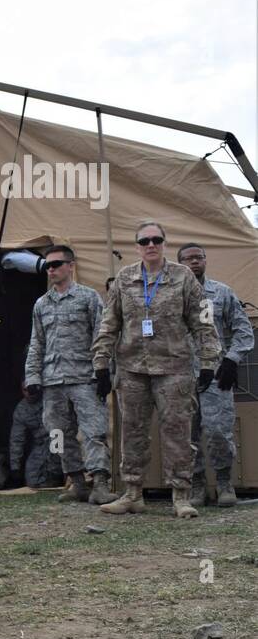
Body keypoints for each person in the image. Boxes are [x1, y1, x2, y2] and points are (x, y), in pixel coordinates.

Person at [94, 221, 221, 518]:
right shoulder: (124, 278)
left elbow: (202, 321)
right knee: (132, 432)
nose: (151, 245)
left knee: (177, 432)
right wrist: (101, 363)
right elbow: (109, 322)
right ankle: (133, 494)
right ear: (137, 246)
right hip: (132, 367)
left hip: (174, 367)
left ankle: (181, 496)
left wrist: (208, 362)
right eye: (144, 241)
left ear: (164, 243)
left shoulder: (183, 276)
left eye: (156, 239)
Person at [23, 244, 116, 504]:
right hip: (53, 380)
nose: (50, 270)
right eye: (47, 266)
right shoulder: (41, 304)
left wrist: (103, 370)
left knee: (93, 432)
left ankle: (99, 483)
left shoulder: (89, 298)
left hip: (85, 377)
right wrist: (32, 377)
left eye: (55, 264)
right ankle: (76, 482)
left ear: (70, 266)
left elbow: (102, 336)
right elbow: (36, 343)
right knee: (58, 434)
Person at [178, 243, 254, 507]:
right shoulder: (171, 296)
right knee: (187, 435)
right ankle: (197, 485)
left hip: (215, 375)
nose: (194, 262)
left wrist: (232, 361)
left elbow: (244, 331)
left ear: (206, 261)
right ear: (179, 264)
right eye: (188, 259)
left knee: (219, 431)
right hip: (181, 378)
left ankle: (224, 483)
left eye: (198, 257)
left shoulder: (221, 292)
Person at [9, 381, 64, 488]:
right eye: (25, 390)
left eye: (32, 389)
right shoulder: (21, 409)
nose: (29, 393)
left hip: (60, 440)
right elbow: (16, 439)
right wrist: (15, 467)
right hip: (40, 446)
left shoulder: (50, 399)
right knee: (32, 479)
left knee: (58, 468)